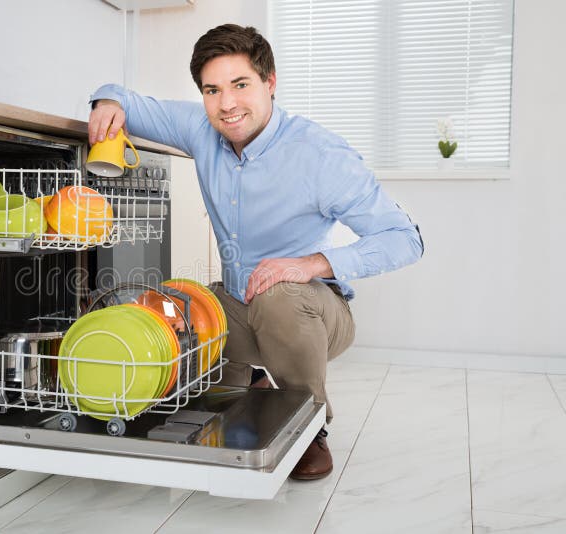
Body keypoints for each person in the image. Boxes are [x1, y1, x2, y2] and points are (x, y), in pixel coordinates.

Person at [88, 24, 423, 481]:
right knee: (177, 303)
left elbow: (405, 238)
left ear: (270, 83)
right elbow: (127, 101)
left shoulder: (319, 155)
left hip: (314, 314)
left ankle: (308, 428)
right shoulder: (202, 129)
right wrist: (107, 104)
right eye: (213, 90)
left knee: (279, 293)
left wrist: (313, 264)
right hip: (243, 303)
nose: (227, 104)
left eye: (240, 85)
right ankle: (242, 396)